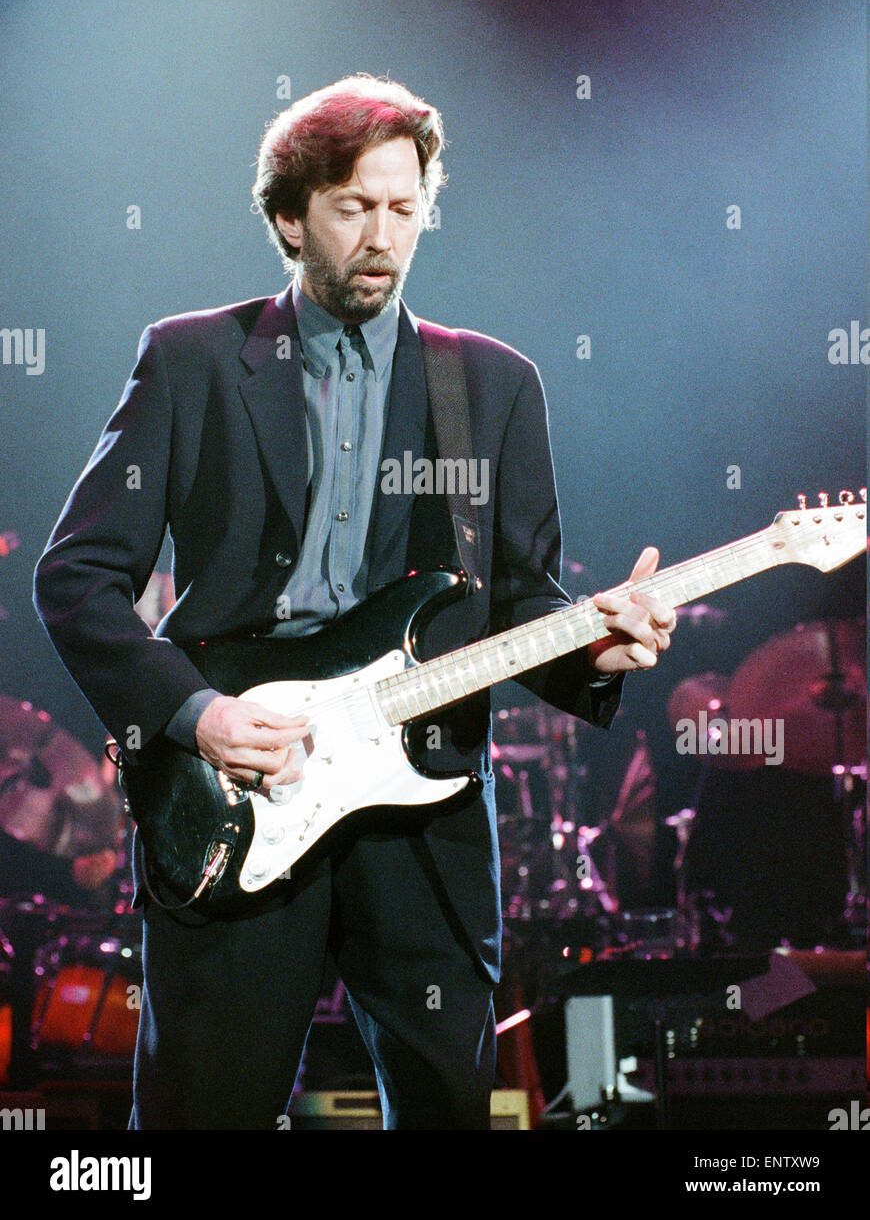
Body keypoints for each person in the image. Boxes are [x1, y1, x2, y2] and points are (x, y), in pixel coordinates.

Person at [33, 74, 676, 1130]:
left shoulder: (494, 386)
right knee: (207, 1107)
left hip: (422, 801)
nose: (384, 235)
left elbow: (521, 601)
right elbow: (76, 576)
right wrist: (200, 715)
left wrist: (598, 650)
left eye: (404, 206)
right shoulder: (193, 359)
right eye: (353, 207)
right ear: (290, 217)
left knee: (445, 1105)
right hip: (238, 782)